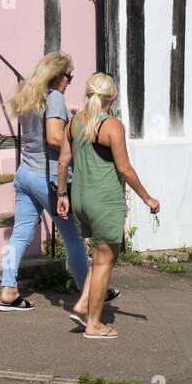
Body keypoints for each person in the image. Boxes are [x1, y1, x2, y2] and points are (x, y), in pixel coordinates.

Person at [56, 73, 159, 339]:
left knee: (105, 256)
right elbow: (124, 169)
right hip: (104, 201)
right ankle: (93, 324)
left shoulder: (74, 123)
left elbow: (63, 162)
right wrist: (148, 198)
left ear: (88, 94)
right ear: (112, 97)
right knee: (104, 261)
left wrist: (62, 195)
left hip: (80, 199)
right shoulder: (112, 125)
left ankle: (81, 306)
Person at [0, 52, 90, 312]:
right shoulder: (55, 97)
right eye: (69, 77)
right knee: (72, 235)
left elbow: (40, 129)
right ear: (58, 76)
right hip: (47, 178)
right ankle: (89, 291)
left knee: (20, 234)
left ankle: (8, 289)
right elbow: (52, 138)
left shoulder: (30, 94)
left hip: (25, 173)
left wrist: (67, 118)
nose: (70, 82)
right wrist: (81, 145)